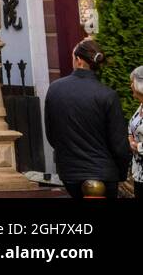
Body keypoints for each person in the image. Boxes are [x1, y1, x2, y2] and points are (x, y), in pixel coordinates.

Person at [44, 39, 131, 198]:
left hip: (70, 172)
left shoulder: (55, 89)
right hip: (104, 172)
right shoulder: (107, 95)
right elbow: (119, 144)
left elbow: (52, 134)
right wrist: (121, 173)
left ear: (78, 60)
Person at [128, 65, 143, 190]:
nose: (130, 86)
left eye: (132, 82)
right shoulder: (141, 107)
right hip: (139, 173)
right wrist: (129, 137)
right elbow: (133, 126)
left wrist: (136, 146)